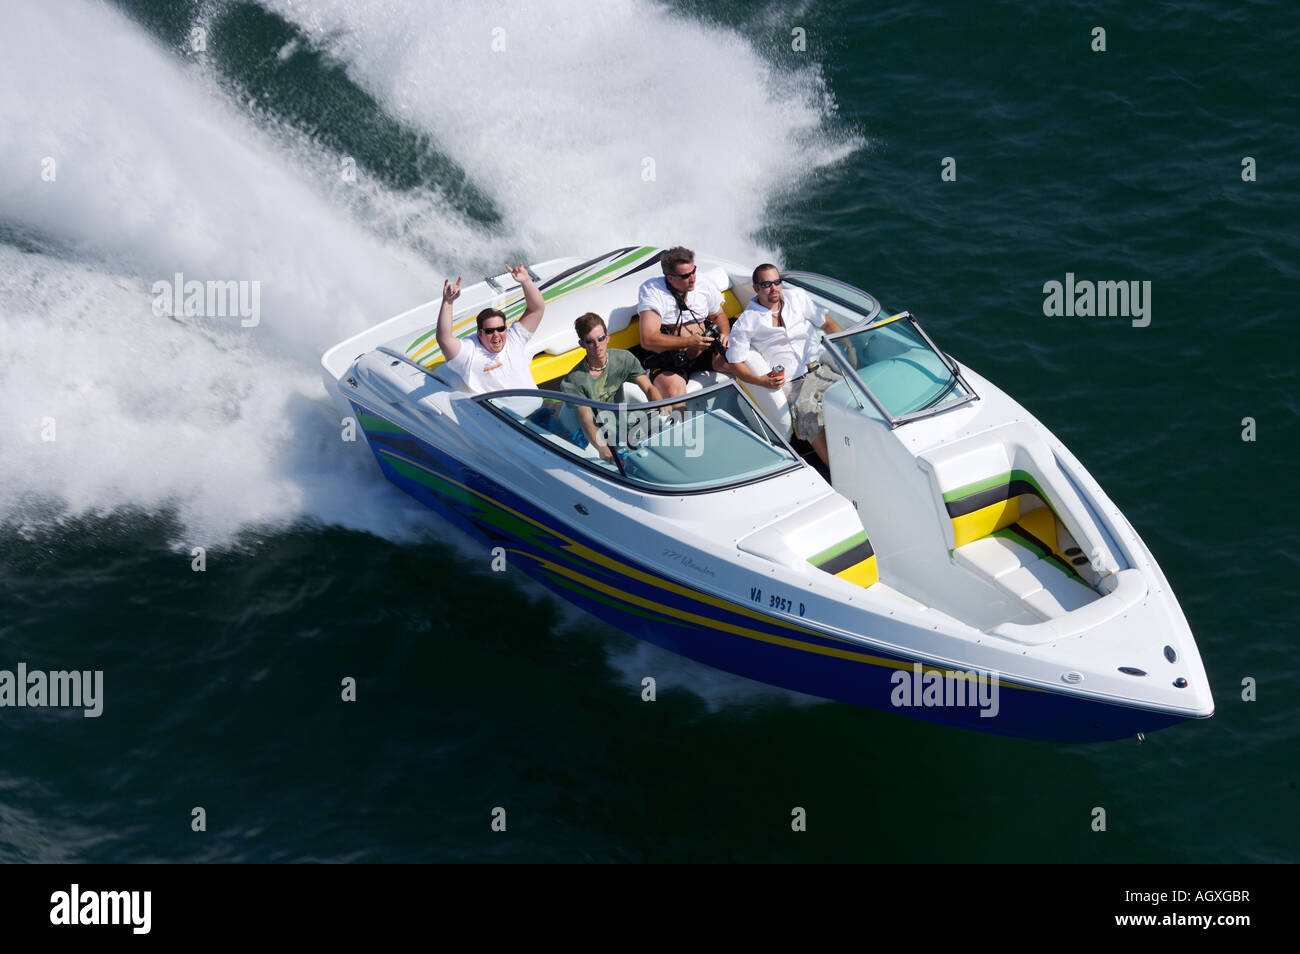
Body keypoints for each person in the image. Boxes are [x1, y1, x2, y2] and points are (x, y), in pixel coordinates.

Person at [726, 263, 844, 466]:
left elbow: (827, 323)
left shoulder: (797, 298)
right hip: (793, 383)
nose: (774, 288)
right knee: (809, 419)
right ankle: (839, 473)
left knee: (854, 399)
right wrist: (761, 380)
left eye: (777, 282)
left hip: (820, 371)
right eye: (766, 284)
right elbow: (735, 363)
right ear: (756, 288)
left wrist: (848, 347)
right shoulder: (746, 322)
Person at [561, 313, 662, 461]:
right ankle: (552, 407)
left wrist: (659, 407)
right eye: (590, 341)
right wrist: (603, 448)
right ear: (581, 344)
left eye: (601, 339)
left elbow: (649, 388)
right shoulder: (573, 380)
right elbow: (586, 420)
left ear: (607, 337)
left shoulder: (624, 358)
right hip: (597, 435)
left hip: (624, 425)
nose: (597, 345)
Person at [636, 246, 731, 399]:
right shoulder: (652, 290)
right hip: (671, 361)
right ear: (670, 278)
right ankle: (685, 422)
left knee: (741, 365)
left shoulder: (702, 281)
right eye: (686, 275)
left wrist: (725, 334)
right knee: (675, 392)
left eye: (693, 271)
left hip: (705, 352)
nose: (693, 277)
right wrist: (687, 341)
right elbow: (647, 340)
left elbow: (719, 315)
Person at [436, 264, 545, 393]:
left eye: (500, 329)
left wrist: (526, 281)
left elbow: (536, 310)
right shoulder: (469, 352)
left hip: (536, 406)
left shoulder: (514, 338)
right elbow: (444, 339)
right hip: (501, 413)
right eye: (489, 331)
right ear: (479, 334)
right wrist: (447, 302)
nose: (496, 334)